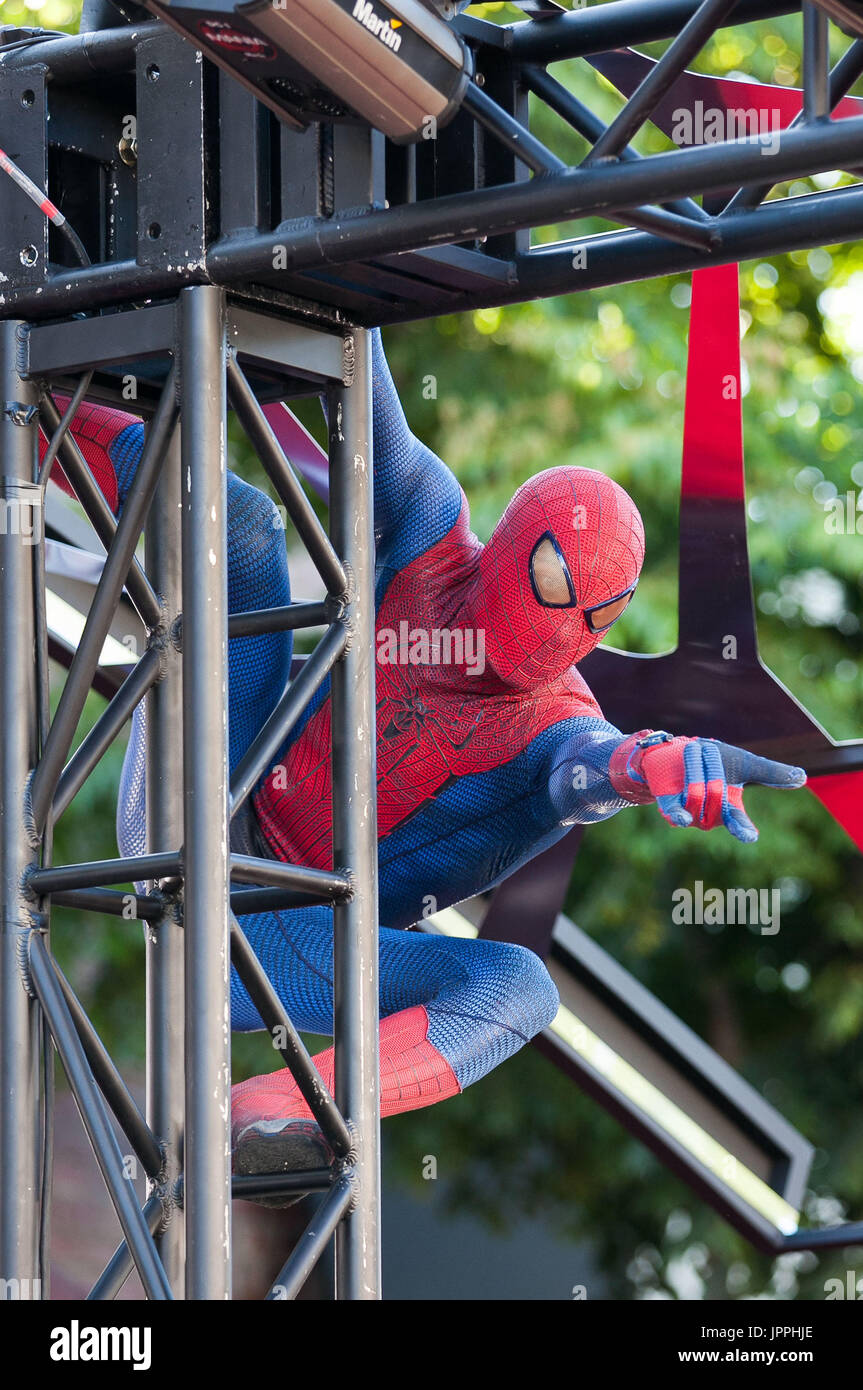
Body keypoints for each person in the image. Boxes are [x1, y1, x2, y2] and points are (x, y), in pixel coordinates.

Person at [42, 331, 806, 1191]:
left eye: (598, 613)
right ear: (515, 547)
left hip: (275, 938)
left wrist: (658, 765)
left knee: (519, 988)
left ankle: (266, 1112)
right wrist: (332, 267)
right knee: (240, 525)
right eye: (555, 584)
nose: (565, 627)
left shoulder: (558, 725)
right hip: (202, 800)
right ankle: (25, 412)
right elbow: (360, 394)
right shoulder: (427, 539)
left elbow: (594, 769)